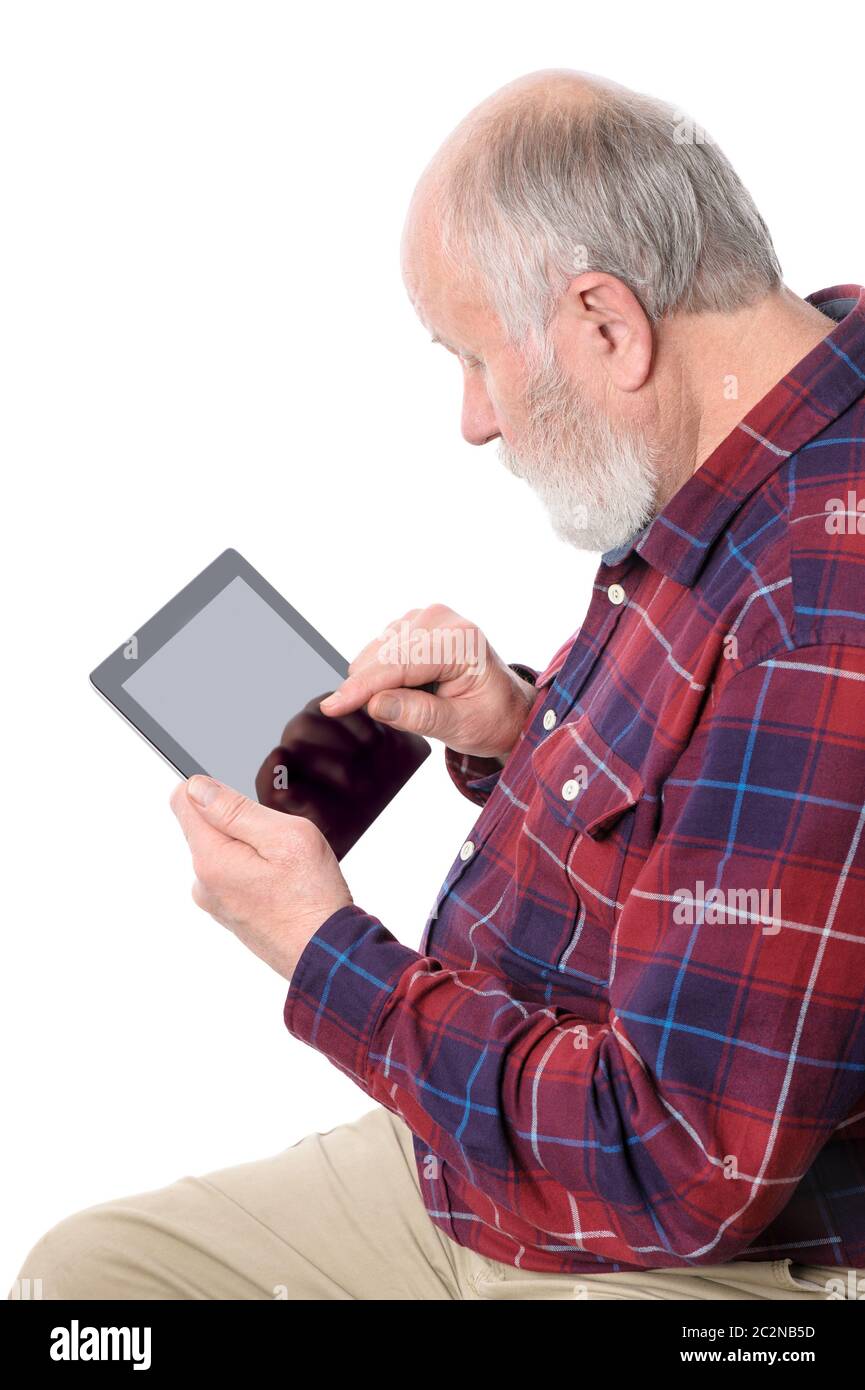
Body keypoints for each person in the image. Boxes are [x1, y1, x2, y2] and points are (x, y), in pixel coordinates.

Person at [11, 68, 865, 1301]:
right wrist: (516, 729)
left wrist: (320, 947)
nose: (472, 418)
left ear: (607, 323)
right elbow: (720, 805)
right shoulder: (754, 424)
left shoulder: (823, 598)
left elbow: (673, 1162)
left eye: (475, 357)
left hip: (681, 1244)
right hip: (490, 1156)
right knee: (90, 1283)